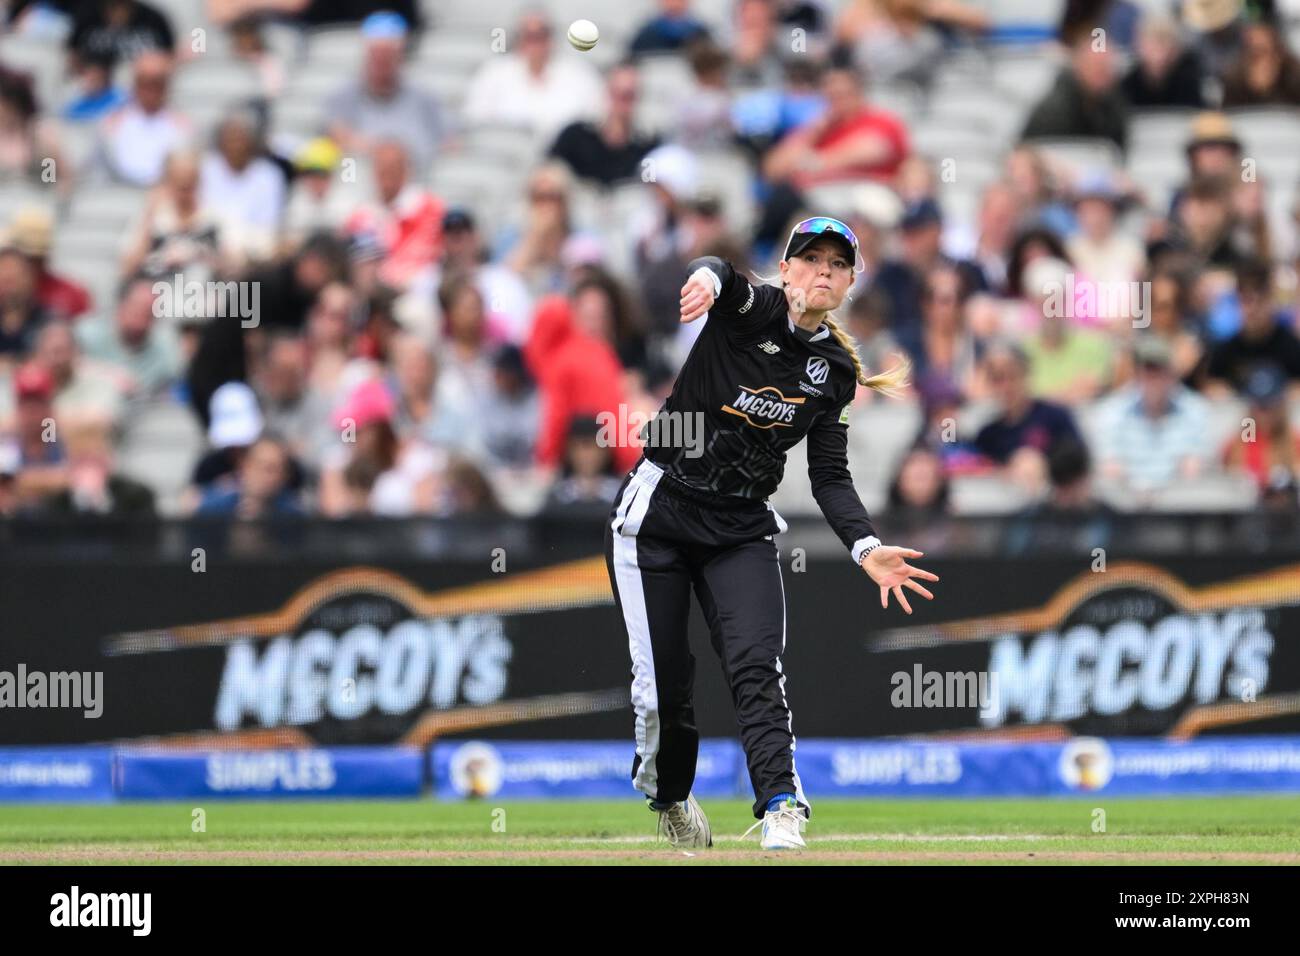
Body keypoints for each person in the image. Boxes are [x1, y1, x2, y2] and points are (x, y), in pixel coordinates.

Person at [605, 216, 938, 851]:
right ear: (785, 270)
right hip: (659, 518)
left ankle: (782, 803)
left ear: (849, 284)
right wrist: (704, 275)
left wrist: (865, 546)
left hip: (739, 526)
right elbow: (723, 274)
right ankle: (669, 794)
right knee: (664, 690)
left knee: (757, 665)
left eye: (837, 265)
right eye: (810, 258)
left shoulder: (834, 370)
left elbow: (830, 476)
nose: (822, 271)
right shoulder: (752, 308)